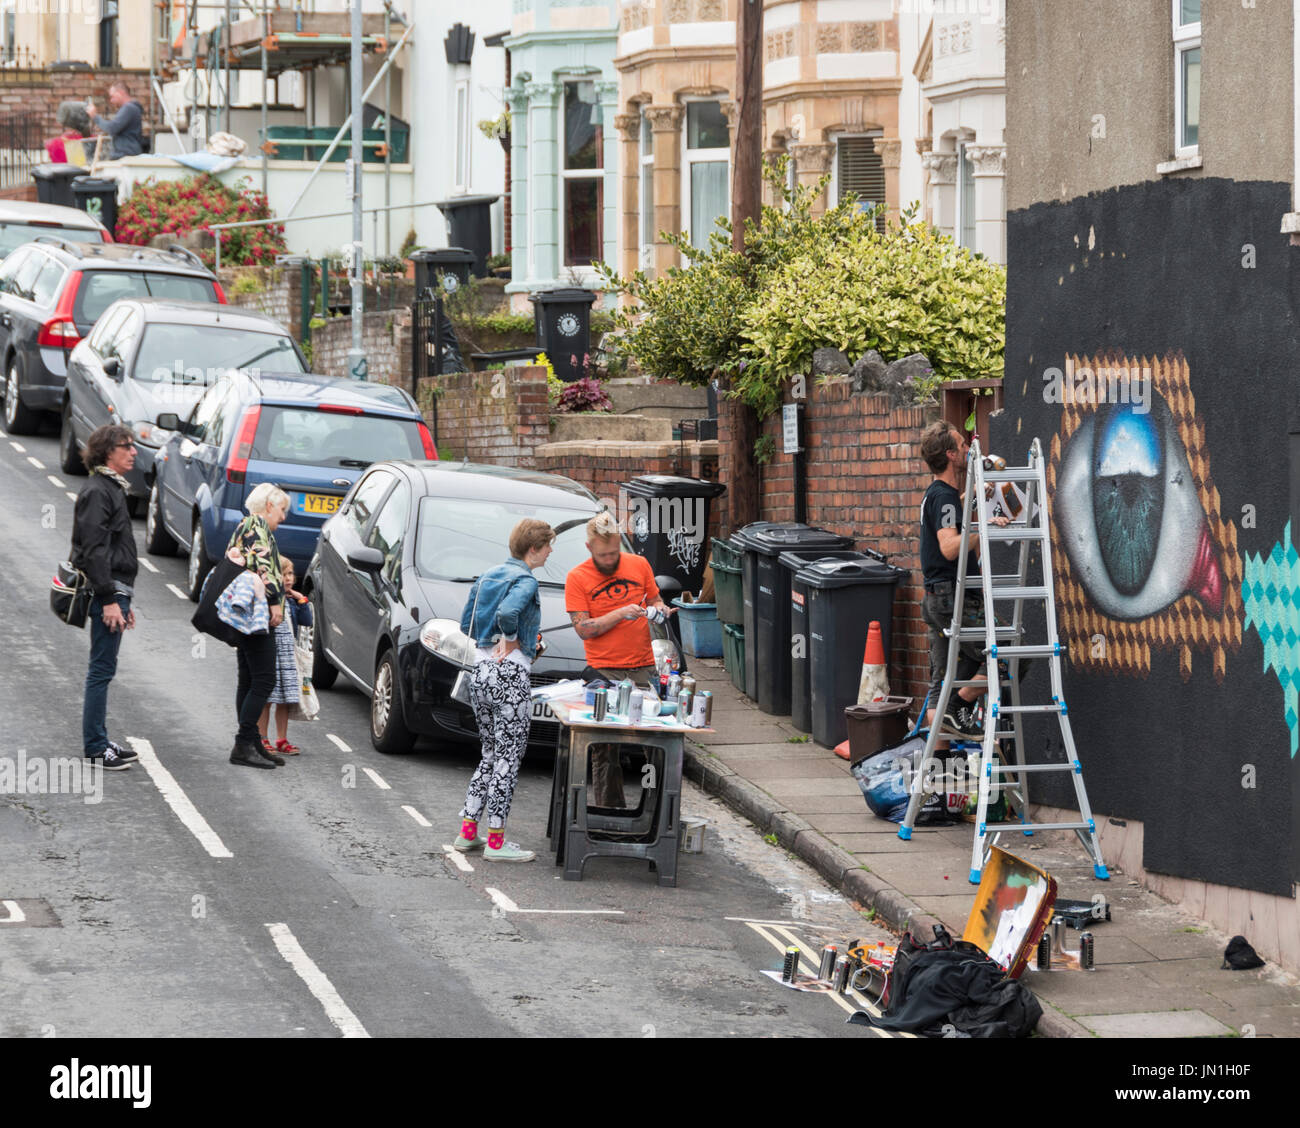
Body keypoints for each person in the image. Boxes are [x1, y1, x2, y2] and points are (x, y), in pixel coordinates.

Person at [454, 518, 555, 863]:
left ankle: (468, 832)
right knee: (508, 761)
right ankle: (496, 842)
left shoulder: (487, 576)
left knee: (490, 754)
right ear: (533, 549)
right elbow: (509, 611)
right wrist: (511, 639)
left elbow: (467, 620)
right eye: (547, 546)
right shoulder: (525, 579)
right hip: (510, 680)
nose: (550, 551)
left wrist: (498, 642)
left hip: (481, 674)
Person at [564, 512, 675, 807]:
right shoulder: (577, 577)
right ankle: (610, 811)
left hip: (644, 666)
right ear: (589, 548)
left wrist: (660, 608)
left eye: (615, 552)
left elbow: (654, 599)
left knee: (658, 740)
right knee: (605, 746)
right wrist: (620, 613)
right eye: (604, 554)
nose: (611, 559)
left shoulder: (638, 564)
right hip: (605, 670)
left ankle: (656, 809)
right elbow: (583, 630)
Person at [918, 421, 1008, 738]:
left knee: (940, 684)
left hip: (935, 597)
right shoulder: (943, 497)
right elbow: (949, 546)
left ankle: (940, 779)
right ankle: (958, 704)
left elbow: (951, 519)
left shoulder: (940, 496)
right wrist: (985, 528)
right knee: (1007, 653)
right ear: (950, 454)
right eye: (962, 444)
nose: (968, 449)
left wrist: (970, 499)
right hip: (951, 598)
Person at [71, 424, 141, 772]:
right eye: (126, 446)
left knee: (104, 668)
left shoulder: (110, 488)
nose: (134, 451)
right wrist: (110, 599)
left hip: (117, 590)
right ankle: (96, 748)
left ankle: (99, 737)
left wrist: (123, 600)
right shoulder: (99, 491)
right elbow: (94, 550)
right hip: (109, 591)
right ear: (107, 451)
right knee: (100, 670)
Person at [226, 483, 290, 770]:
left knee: (248, 679)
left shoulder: (246, 526)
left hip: (248, 614)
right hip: (257, 615)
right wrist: (276, 601)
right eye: (282, 510)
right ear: (268, 506)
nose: (284, 517)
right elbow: (263, 567)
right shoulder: (255, 526)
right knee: (264, 680)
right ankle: (243, 744)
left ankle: (251, 742)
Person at [258, 558, 311, 756]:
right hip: (272, 653)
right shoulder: (268, 599)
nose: (288, 578)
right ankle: (262, 737)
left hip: (288, 656)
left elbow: (307, 620)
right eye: (284, 574)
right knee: (267, 698)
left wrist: (300, 598)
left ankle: (282, 739)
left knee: (285, 699)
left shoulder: (291, 601)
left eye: (291, 574)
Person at [87, 82, 144, 160]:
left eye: (112, 96)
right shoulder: (132, 108)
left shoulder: (129, 108)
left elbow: (112, 128)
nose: (111, 101)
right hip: (129, 154)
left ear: (121, 93)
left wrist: (95, 116)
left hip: (126, 156)